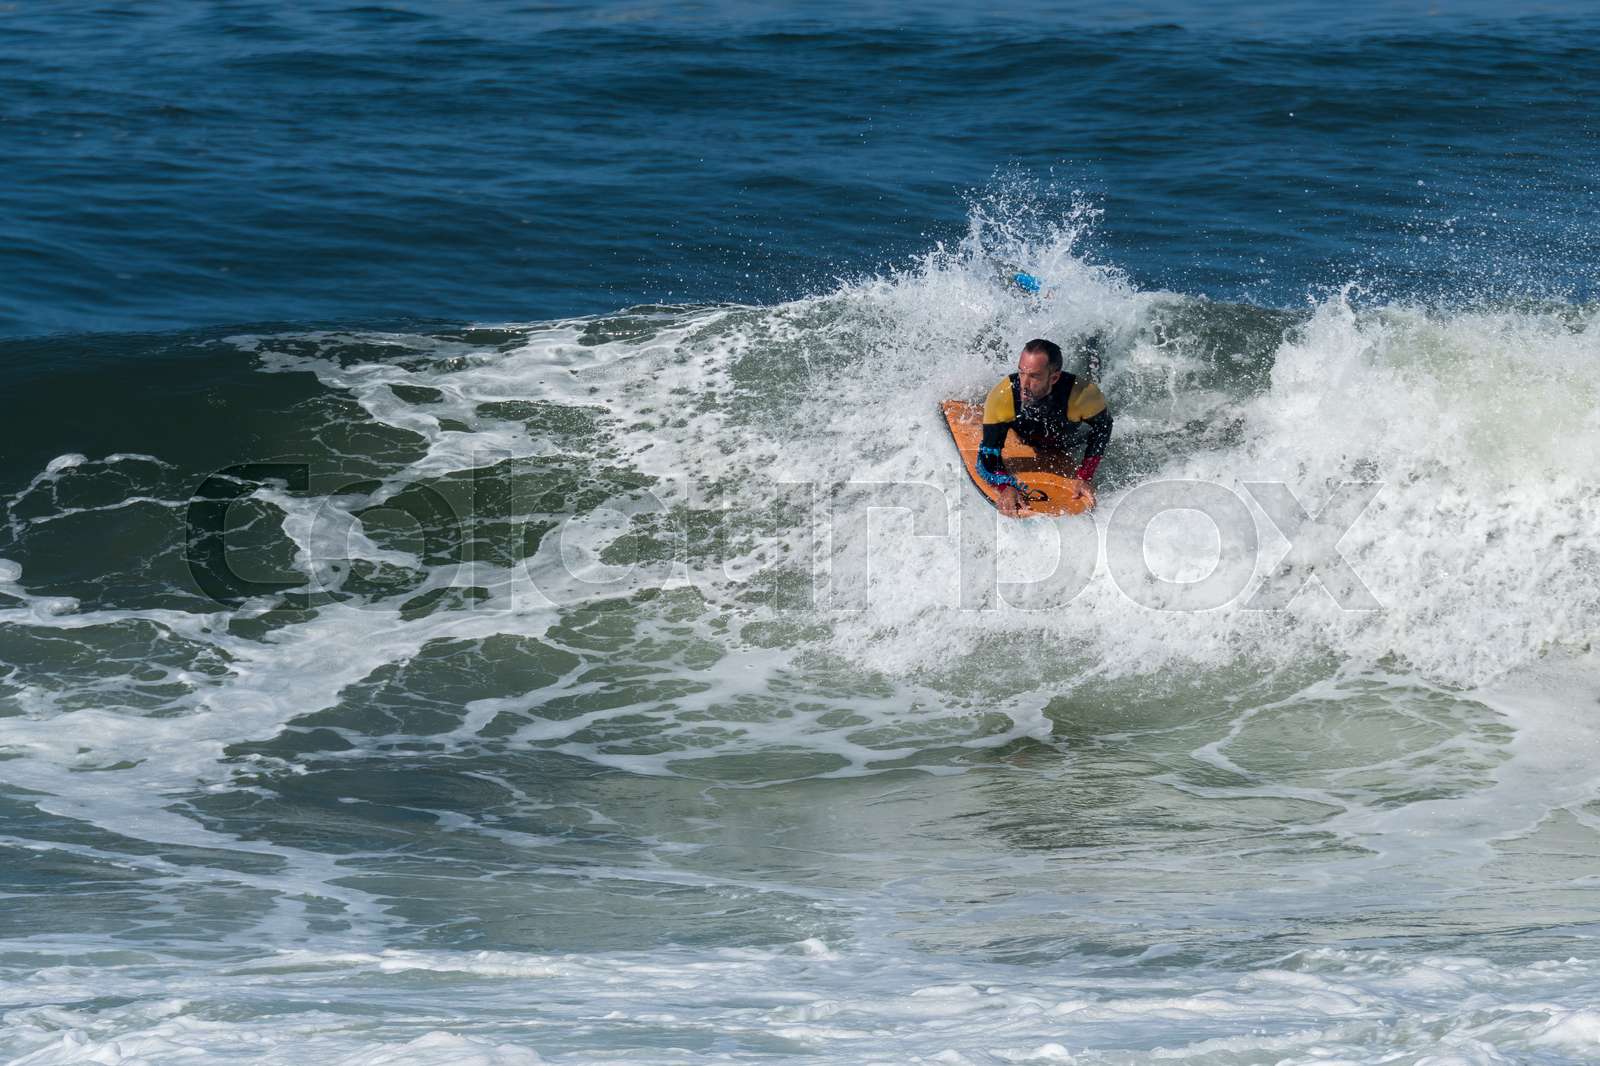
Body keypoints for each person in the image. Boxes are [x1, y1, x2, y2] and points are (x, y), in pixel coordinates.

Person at [976, 337, 1113, 517]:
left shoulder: (1082, 396)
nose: (1023, 384)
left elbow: (1104, 427)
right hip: (1025, 436)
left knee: (1095, 380)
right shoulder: (1003, 396)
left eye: (1034, 376)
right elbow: (985, 458)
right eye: (1021, 372)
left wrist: (1085, 476)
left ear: (1054, 377)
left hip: (1070, 441)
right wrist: (1004, 486)